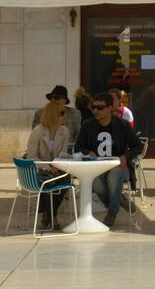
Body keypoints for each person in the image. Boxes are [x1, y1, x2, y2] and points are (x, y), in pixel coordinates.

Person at [74, 92, 141, 227]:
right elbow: (78, 147)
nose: (96, 111)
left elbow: (137, 146)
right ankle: (119, 200)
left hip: (118, 166)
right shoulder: (88, 125)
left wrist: (125, 156)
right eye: (94, 107)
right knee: (95, 182)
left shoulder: (122, 125)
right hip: (96, 167)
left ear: (110, 108)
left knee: (114, 175)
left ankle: (112, 213)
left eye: (100, 108)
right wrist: (89, 152)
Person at [25, 101, 72, 229]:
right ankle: (53, 217)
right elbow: (32, 157)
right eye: (61, 113)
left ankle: (48, 214)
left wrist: (57, 167)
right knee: (50, 182)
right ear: (53, 115)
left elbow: (63, 155)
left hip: (58, 168)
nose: (64, 116)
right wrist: (48, 168)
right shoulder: (38, 131)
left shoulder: (65, 131)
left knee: (66, 179)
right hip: (40, 169)